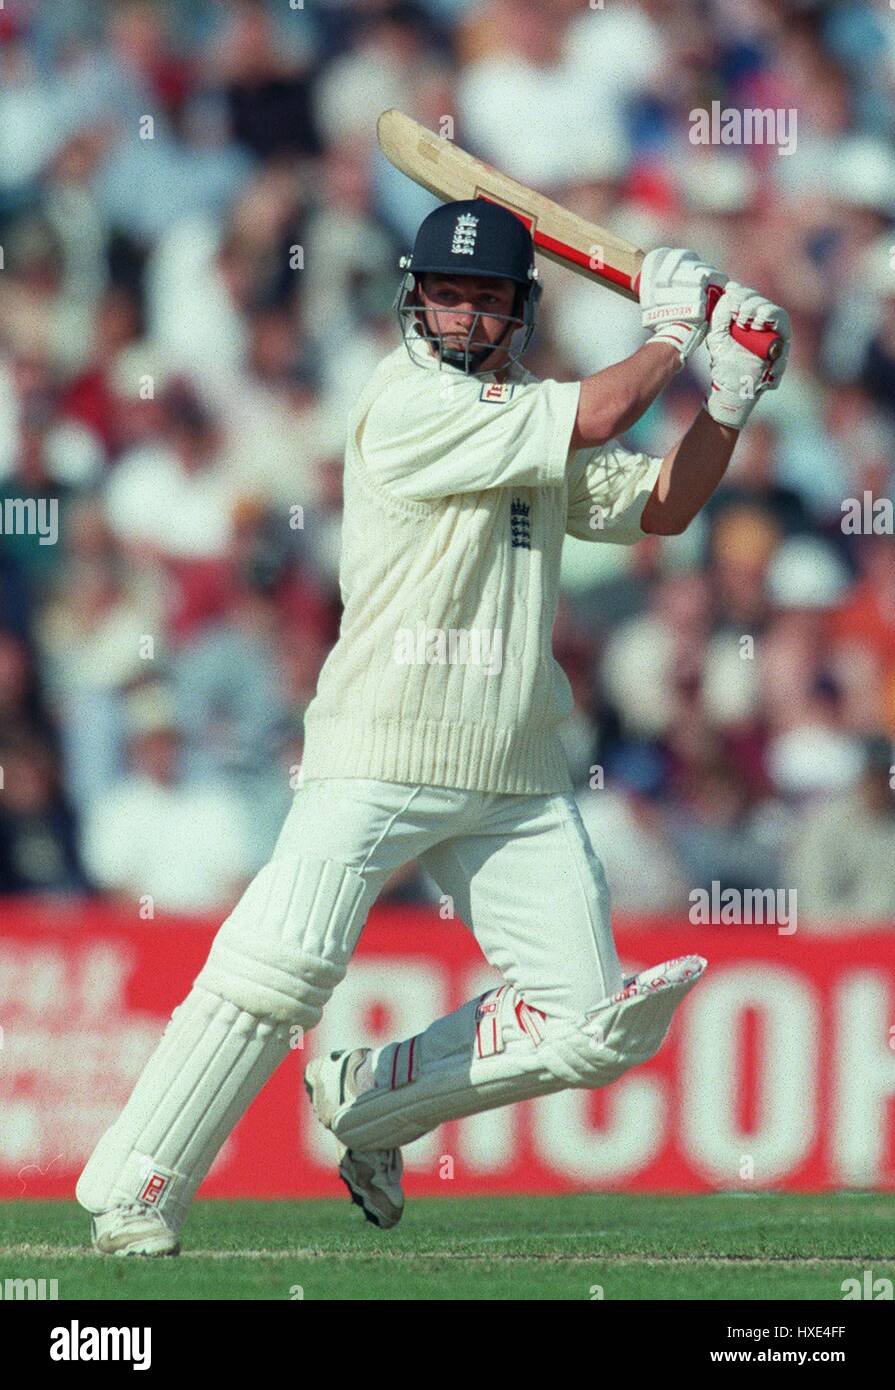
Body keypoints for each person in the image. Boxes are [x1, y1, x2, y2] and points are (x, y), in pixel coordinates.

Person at [76, 198, 790, 1254]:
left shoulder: (522, 410)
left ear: (518, 310)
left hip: (511, 762)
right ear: (414, 298)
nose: (460, 314)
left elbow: (662, 507)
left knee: (589, 1027)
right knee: (278, 974)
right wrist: (675, 332)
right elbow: (595, 417)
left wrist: (727, 397)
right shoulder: (405, 401)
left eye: (484, 296)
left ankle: (369, 1103)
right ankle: (136, 1186)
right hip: (379, 744)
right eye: (444, 293)